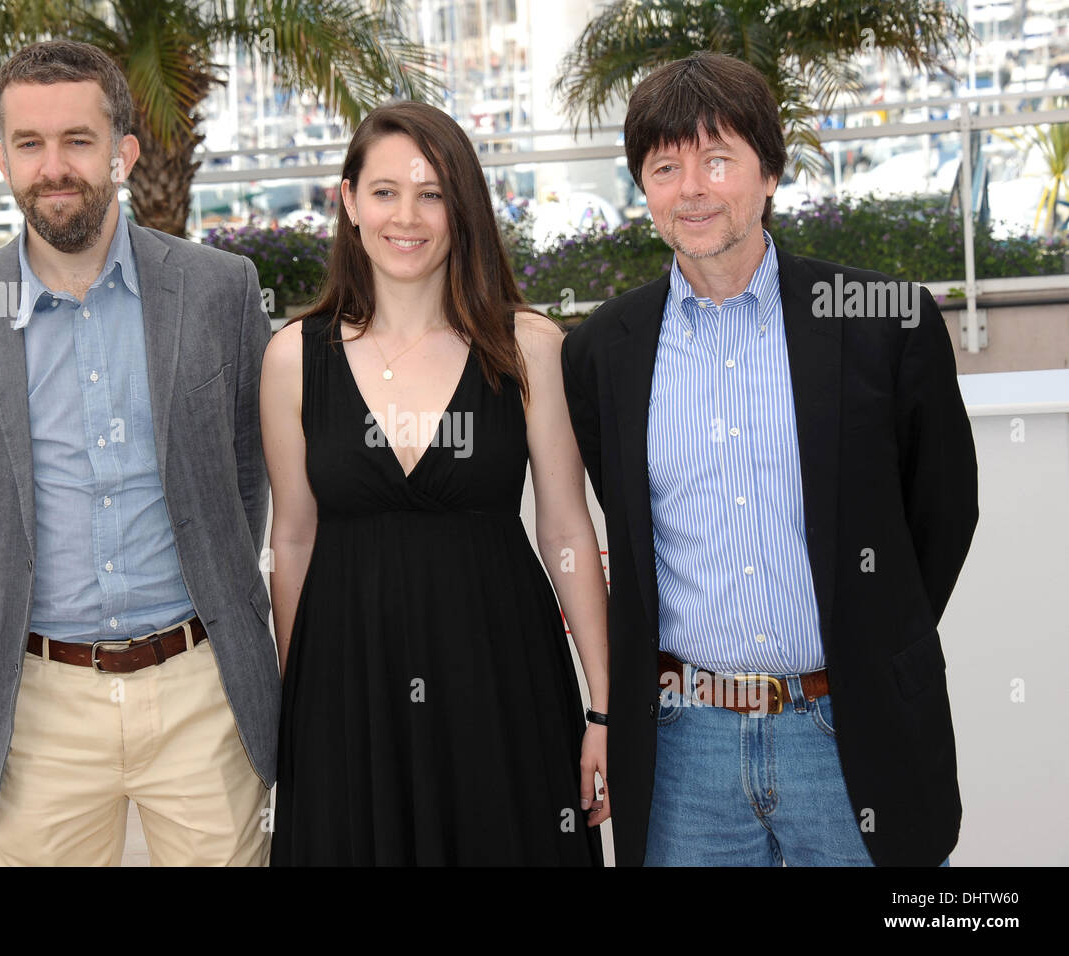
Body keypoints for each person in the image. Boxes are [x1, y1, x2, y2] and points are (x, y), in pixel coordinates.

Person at [561, 52, 979, 867]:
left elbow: (942, 510)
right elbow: (631, 532)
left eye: (718, 160)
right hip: (687, 749)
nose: (693, 190)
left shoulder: (882, 320)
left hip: (843, 727)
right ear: (643, 187)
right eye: (666, 167)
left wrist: (871, 646)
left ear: (771, 171)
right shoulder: (602, 351)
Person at [0, 40, 279, 865]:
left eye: (78, 140)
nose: (54, 166)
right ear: (2, 160)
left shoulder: (220, 290)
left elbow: (248, 480)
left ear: (123, 152)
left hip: (200, 692)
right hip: (39, 706)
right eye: (29, 145)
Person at [261, 101, 609, 865]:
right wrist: (303, 702)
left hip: (499, 678)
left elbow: (566, 531)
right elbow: (292, 537)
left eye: (432, 192)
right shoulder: (294, 356)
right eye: (384, 191)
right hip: (349, 688)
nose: (406, 216)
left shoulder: (528, 347)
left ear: (463, 207)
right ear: (349, 203)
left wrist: (603, 709)